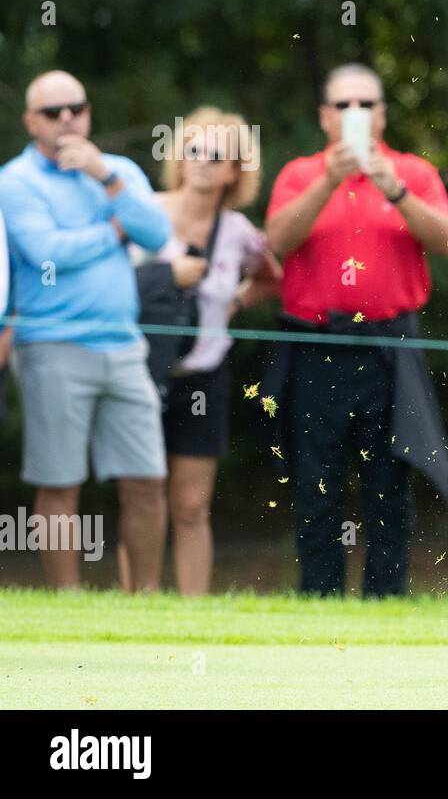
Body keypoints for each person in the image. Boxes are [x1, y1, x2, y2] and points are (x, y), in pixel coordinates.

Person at [263, 63, 448, 597]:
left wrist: (393, 189)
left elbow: (447, 240)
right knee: (316, 484)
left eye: (367, 104)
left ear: (382, 114)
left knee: (389, 483)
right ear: (326, 116)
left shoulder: (412, 172)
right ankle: (319, 600)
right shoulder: (300, 173)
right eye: (344, 105)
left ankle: (386, 601)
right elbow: (277, 241)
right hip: (315, 345)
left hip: (389, 346)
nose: (356, 114)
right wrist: (330, 179)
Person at [0, 70, 171, 590]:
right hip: (51, 348)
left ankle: (144, 603)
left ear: (89, 112)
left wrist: (107, 180)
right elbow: (49, 252)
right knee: (59, 483)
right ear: (31, 121)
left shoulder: (116, 170)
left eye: (76, 107)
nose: (67, 118)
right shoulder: (15, 180)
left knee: (146, 479)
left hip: (124, 348)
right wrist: (114, 228)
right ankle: (68, 602)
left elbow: (159, 233)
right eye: (53, 112)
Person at [124, 107, 280, 595]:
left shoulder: (237, 231)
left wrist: (234, 300)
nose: (205, 161)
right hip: (138, 370)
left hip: (202, 377)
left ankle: (194, 614)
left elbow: (272, 276)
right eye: (195, 150)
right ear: (179, 156)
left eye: (219, 155)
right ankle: (137, 605)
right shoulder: (144, 211)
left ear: (236, 170)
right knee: (141, 495)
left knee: (191, 504)